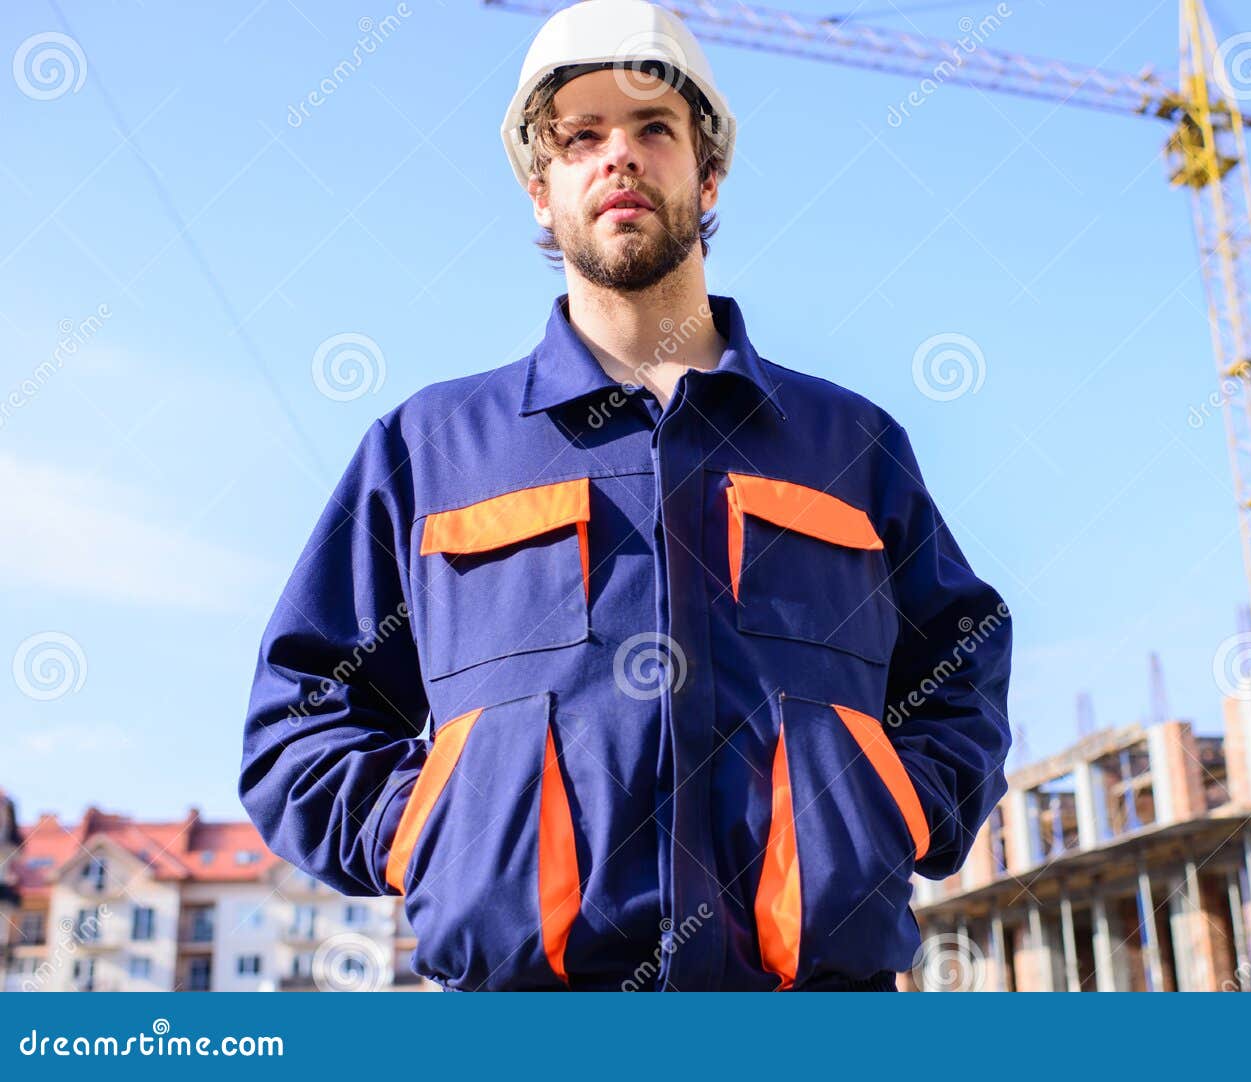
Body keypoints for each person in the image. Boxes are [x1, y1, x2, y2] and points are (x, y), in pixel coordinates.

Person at [240, 0, 1011, 991]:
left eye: (655, 128)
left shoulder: (848, 446)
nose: (621, 157)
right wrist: (438, 829)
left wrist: (890, 808)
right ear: (539, 189)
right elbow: (297, 713)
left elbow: (961, 660)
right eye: (582, 136)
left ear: (709, 171)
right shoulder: (430, 450)